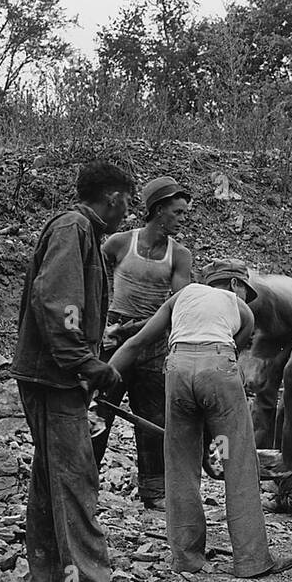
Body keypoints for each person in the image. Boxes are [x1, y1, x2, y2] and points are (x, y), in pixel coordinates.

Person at [110, 259, 292, 579]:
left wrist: (102, 379)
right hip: (217, 366)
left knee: (180, 463)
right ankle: (251, 560)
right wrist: (218, 437)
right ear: (236, 285)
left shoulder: (180, 297)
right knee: (238, 461)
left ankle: (186, 558)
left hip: (176, 367)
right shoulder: (243, 310)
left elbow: (137, 342)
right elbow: (228, 357)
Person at [11, 160, 131, 582]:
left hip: (52, 374)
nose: (127, 210)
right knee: (77, 477)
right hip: (54, 376)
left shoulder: (80, 231)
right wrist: (83, 362)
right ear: (115, 196)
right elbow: (56, 298)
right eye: (128, 200)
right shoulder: (73, 227)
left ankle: (46, 581)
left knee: (51, 473)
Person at [92, 175, 193, 511]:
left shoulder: (180, 256)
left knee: (153, 417)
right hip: (113, 339)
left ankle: (154, 490)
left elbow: (177, 303)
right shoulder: (120, 243)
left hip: (152, 340)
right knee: (99, 409)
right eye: (177, 212)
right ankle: (84, 481)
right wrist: (101, 322)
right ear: (158, 210)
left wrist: (134, 328)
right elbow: (92, 279)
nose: (182, 219)